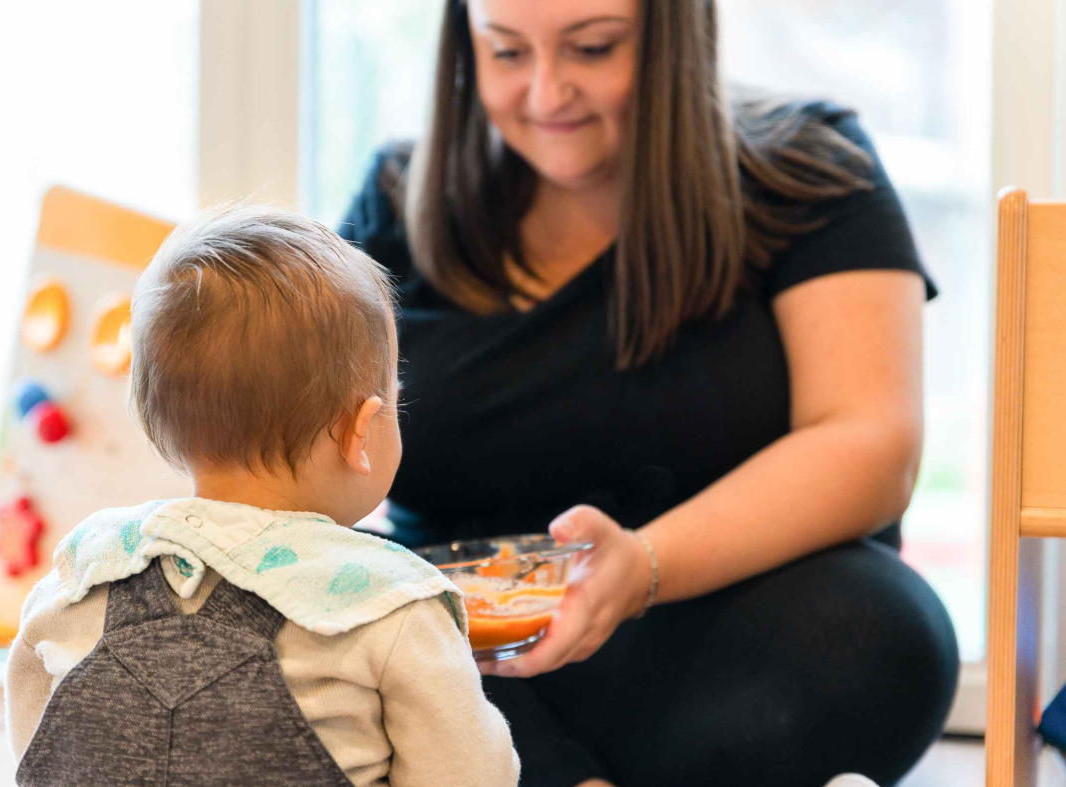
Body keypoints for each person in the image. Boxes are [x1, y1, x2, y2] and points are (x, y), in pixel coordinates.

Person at [339, 0, 958, 785]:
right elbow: (313, 453)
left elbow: (871, 443)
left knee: (870, 629)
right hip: (463, 653)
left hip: (711, 626)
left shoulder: (811, 169)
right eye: (506, 54)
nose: (545, 93)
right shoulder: (397, 198)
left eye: (592, 49)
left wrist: (645, 566)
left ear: (675, 36)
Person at [4, 207, 519, 786]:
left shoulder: (86, 572)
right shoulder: (390, 602)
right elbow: (471, 773)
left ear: (156, 425)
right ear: (360, 432)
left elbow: (35, 738)